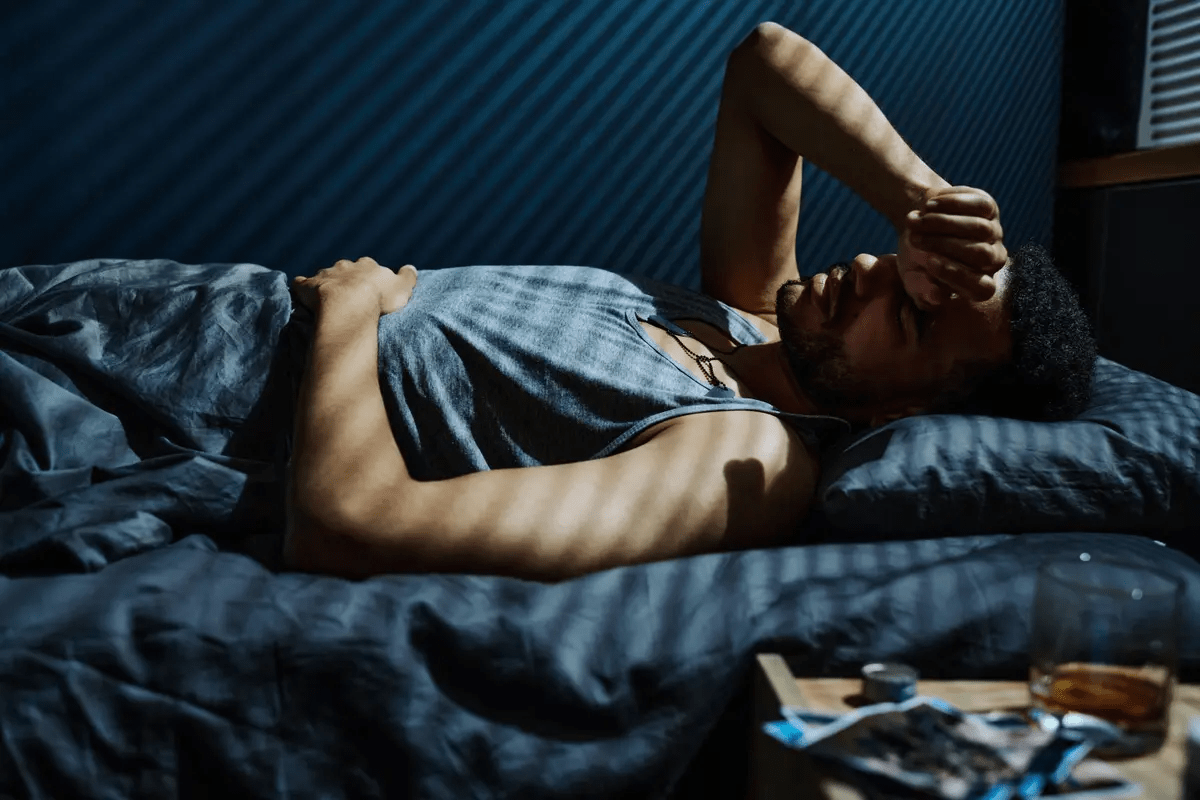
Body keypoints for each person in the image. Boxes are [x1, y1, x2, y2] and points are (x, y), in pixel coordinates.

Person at [282, 22, 1096, 583]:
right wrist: (919, 201)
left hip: (229, 390)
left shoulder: (751, 456)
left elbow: (350, 528)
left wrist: (349, 313)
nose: (865, 267)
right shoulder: (750, 316)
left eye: (912, 314)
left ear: (904, 415)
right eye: (906, 266)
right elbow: (764, 63)